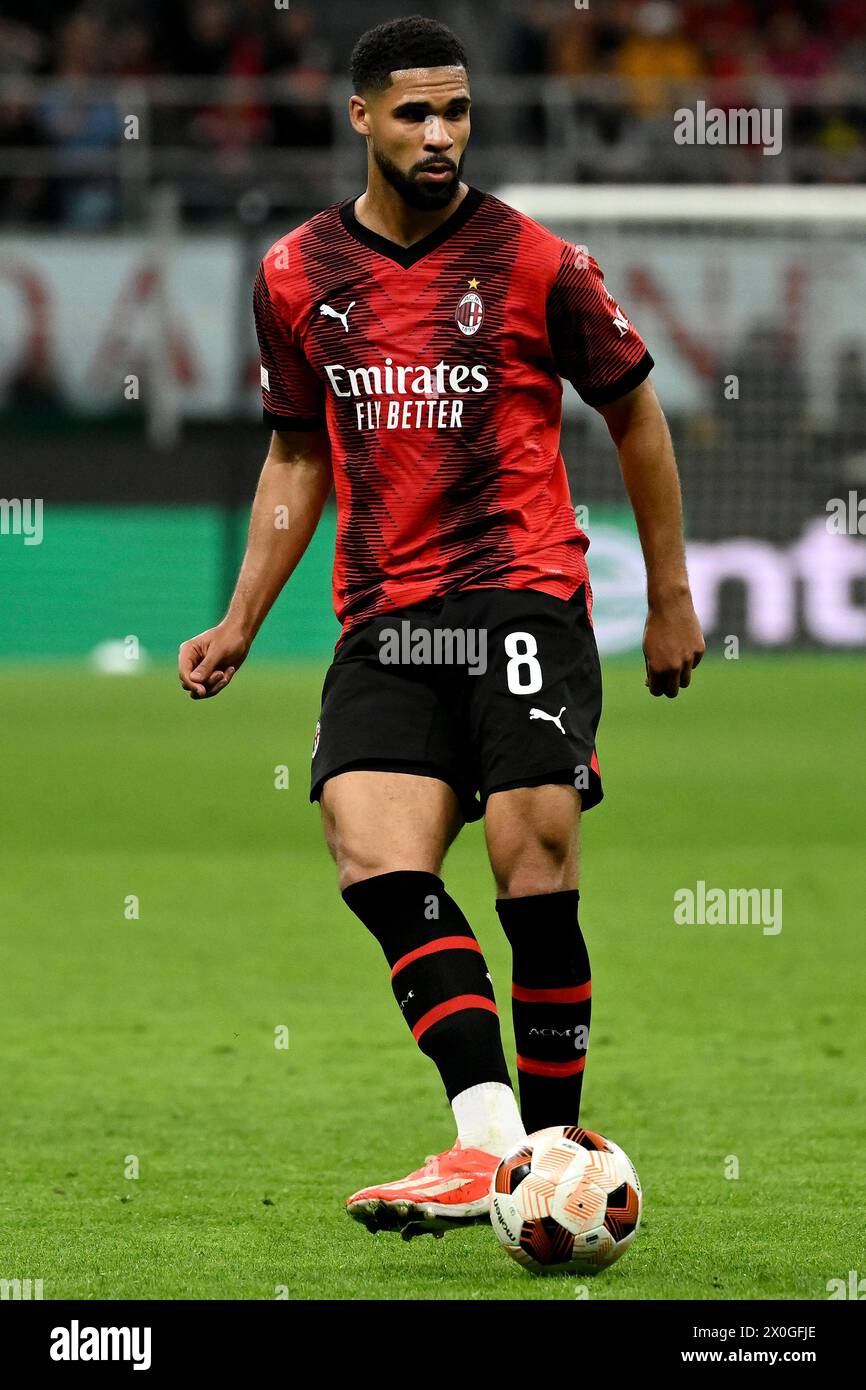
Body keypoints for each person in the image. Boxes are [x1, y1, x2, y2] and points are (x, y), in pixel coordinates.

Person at [178, 15, 705, 1239]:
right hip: (386, 614)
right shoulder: (295, 277)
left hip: (520, 592)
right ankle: (492, 1146)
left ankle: (546, 1152)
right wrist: (242, 614)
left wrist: (671, 597)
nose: (440, 134)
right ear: (358, 116)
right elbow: (298, 450)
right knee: (373, 853)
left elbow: (634, 414)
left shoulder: (534, 262)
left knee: (531, 867)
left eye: (456, 111)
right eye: (414, 113)